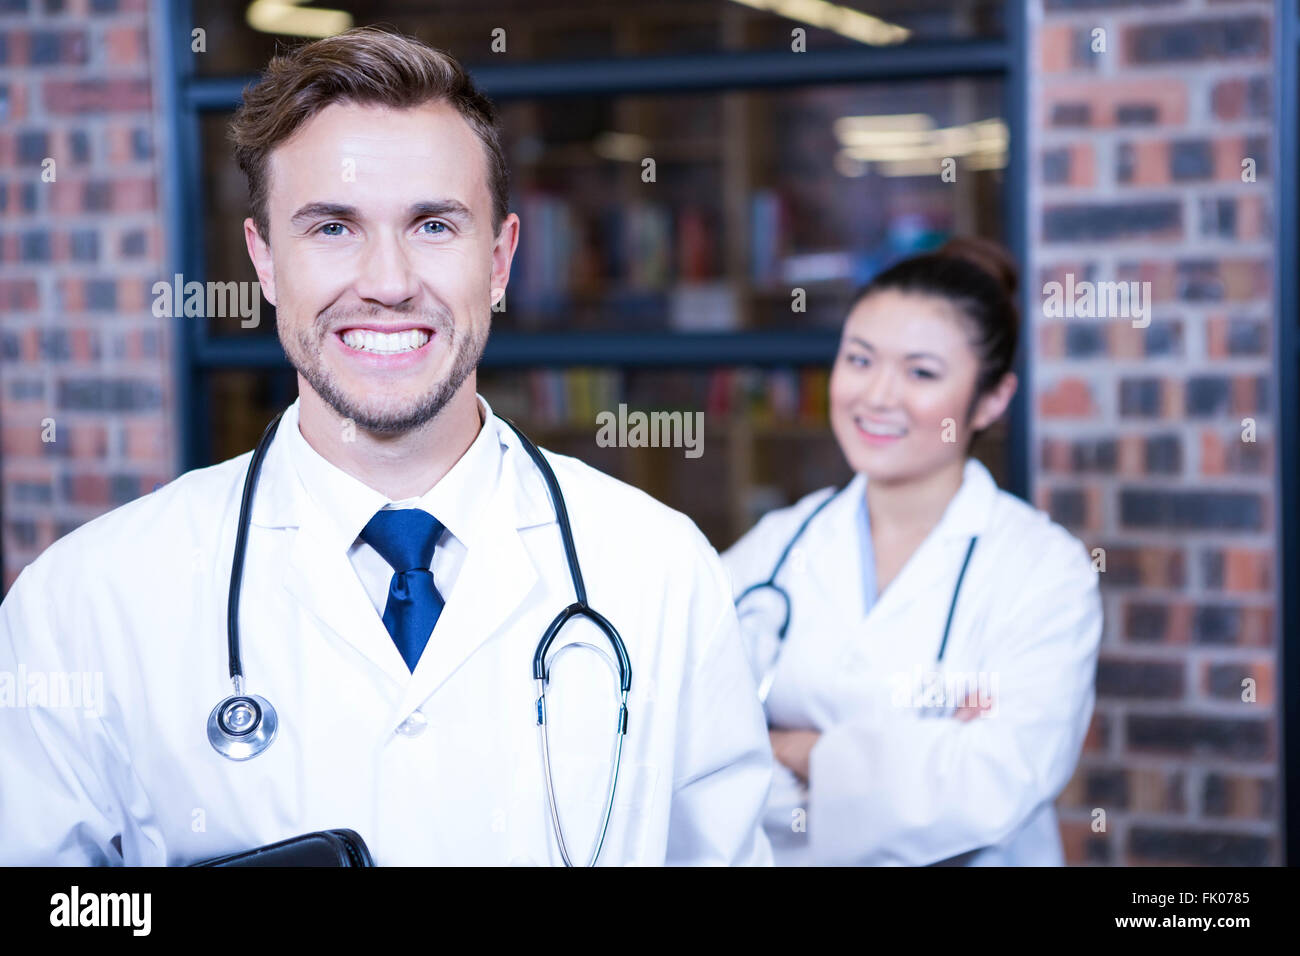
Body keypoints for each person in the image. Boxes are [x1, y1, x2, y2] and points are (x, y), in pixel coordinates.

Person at [0, 27, 773, 867]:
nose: (389, 281)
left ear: (502, 257)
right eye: (333, 228)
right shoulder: (83, 603)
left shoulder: (659, 568)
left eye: (434, 225)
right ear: (263, 260)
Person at [723, 237, 1102, 866]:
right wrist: (914, 757)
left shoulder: (1044, 572)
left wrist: (797, 751)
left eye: (921, 372)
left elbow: (989, 789)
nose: (877, 396)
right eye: (860, 360)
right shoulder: (775, 547)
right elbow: (693, 750)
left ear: (992, 399)